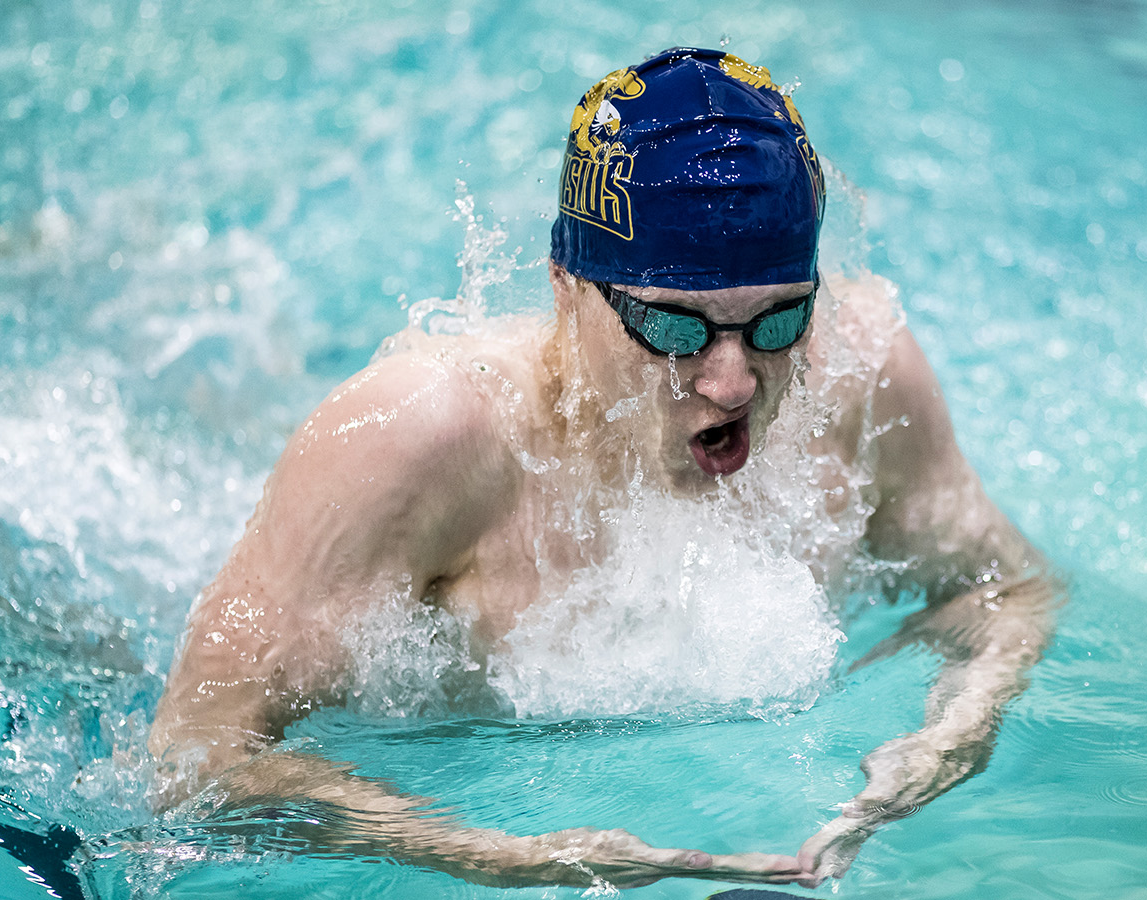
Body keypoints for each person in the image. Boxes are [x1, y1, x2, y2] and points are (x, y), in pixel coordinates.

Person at [148, 47, 1057, 890]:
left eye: (778, 320)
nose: (734, 381)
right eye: (673, 327)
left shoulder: (860, 373)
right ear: (567, 286)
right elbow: (197, 758)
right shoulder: (420, 445)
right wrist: (496, 855)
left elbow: (1007, 589)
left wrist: (950, 734)